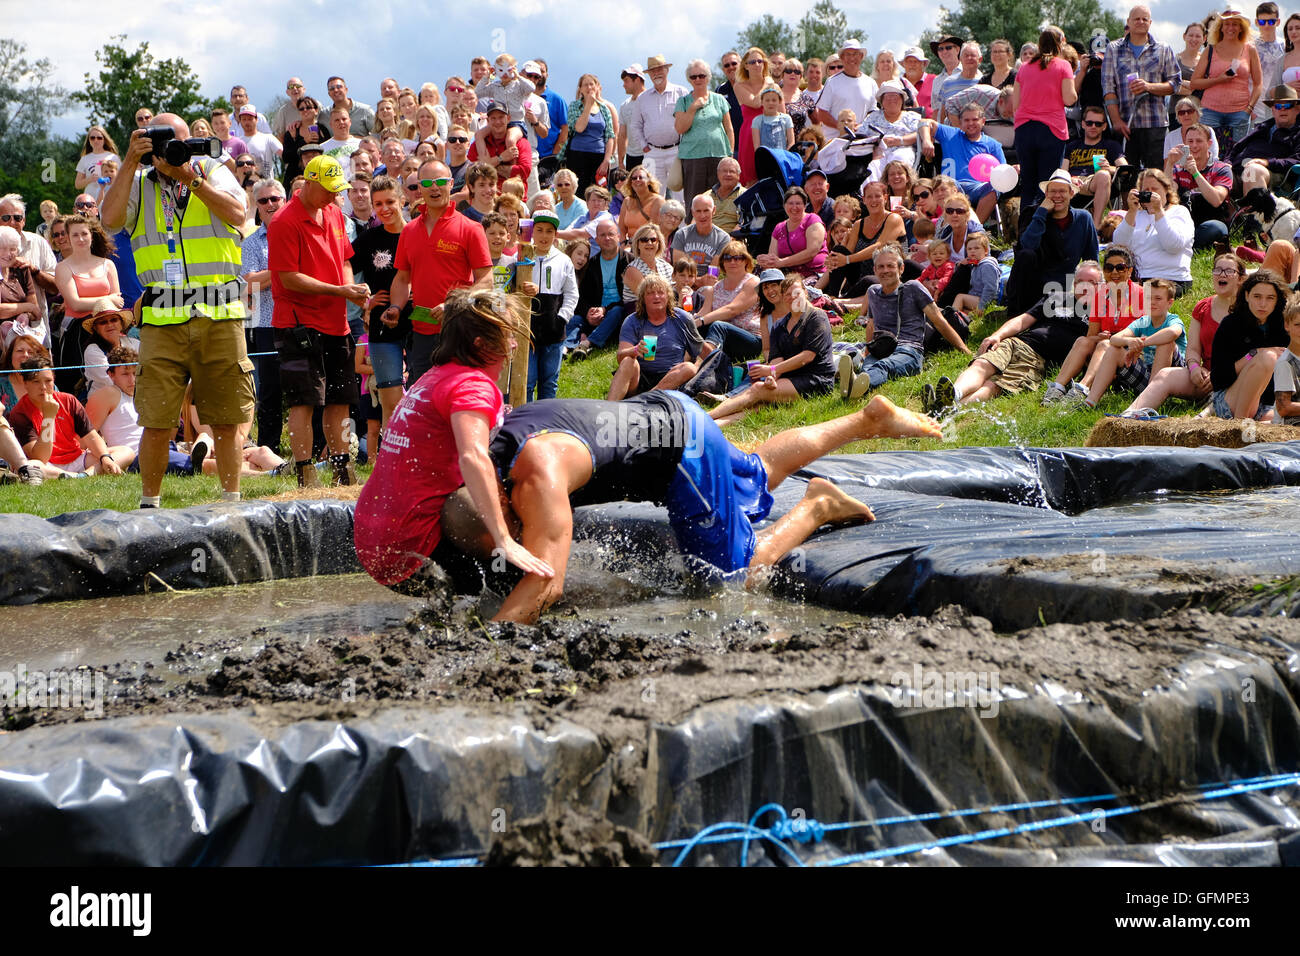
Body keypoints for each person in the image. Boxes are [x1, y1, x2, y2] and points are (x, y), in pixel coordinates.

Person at [474, 390, 938, 622]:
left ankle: (816, 505)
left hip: (680, 454)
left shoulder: (535, 475)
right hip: (669, 410)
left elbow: (545, 588)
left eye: (504, 528)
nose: (509, 537)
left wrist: (491, 637)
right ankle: (866, 419)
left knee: (731, 579)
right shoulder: (499, 438)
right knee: (756, 470)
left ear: (502, 498)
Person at [266, 155, 369, 487]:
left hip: (336, 321)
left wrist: (352, 289)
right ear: (308, 183)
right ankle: (305, 473)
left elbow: (345, 259)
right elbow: (288, 278)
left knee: (340, 398)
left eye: (338, 190)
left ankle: (343, 470)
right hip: (298, 324)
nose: (334, 196)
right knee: (305, 400)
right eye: (329, 190)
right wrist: (342, 290)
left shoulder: (336, 213)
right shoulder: (284, 221)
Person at [929, 260, 1101, 414]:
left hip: (1038, 361)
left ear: (1100, 285)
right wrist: (997, 336)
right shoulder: (1057, 298)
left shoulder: (1102, 313)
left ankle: (949, 409)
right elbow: (1023, 320)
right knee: (983, 363)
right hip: (1018, 342)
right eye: (1080, 281)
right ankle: (954, 393)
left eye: (1091, 283)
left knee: (997, 384)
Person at [385, 159, 492, 384]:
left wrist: (454, 305)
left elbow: (486, 280)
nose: (434, 187)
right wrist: (396, 307)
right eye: (427, 182)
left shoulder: (470, 227)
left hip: (460, 329)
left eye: (440, 181)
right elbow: (402, 278)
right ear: (419, 188)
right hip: (421, 331)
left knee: (457, 394)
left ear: (451, 183)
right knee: (424, 397)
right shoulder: (409, 230)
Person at [835, 244, 971, 399]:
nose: (885, 270)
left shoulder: (913, 288)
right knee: (869, 367)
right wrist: (868, 350)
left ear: (901, 269)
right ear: (874, 270)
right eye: (881, 267)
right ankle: (856, 385)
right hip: (881, 348)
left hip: (909, 350)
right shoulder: (873, 292)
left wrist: (964, 350)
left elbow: (939, 321)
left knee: (883, 366)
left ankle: (855, 386)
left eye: (890, 266)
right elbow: (871, 326)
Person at [1123, 253, 1244, 417]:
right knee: (1165, 374)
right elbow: (1193, 348)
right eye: (1218, 270)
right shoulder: (1202, 307)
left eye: (1229, 271)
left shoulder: (1249, 310)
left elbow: (1253, 356)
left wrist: (1220, 375)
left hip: (1235, 380)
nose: (1222, 274)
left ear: (1240, 279)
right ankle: (1130, 415)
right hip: (1205, 378)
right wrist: (1194, 367)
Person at [706, 275, 835, 425]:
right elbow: (777, 357)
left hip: (816, 379)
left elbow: (807, 356)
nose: (792, 298)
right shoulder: (779, 325)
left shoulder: (816, 316)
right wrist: (773, 376)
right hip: (790, 378)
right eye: (787, 294)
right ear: (783, 298)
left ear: (805, 293)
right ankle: (717, 424)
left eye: (796, 293)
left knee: (758, 390)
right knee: (762, 402)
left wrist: (772, 369)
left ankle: (706, 417)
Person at [1042, 245, 1145, 406]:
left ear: (1129, 271)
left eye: (1120, 267)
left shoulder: (1141, 295)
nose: (1115, 272)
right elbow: (1091, 335)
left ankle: (1082, 388)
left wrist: (1115, 340)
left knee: (1105, 344)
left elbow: (1144, 336)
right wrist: (1100, 337)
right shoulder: (1100, 295)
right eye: (1109, 268)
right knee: (1083, 341)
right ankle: (1058, 387)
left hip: (1133, 355)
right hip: (1104, 352)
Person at [7, 355, 129, 477]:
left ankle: (83, 475)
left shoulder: (68, 400)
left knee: (125, 452)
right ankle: (74, 475)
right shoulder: (19, 413)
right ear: (25, 384)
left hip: (77, 459)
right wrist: (48, 418)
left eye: (48, 381)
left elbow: (91, 436)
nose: (43, 387)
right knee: (32, 465)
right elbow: (40, 457)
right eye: (36, 382)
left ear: (54, 380)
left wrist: (105, 457)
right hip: (48, 464)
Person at [1077, 278, 1186, 408]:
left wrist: (1141, 343)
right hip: (1148, 375)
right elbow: (1114, 339)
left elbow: (1172, 333)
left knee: (1166, 343)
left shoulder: (1173, 320)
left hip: (1174, 378)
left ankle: (1150, 402)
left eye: (1158, 298)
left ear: (1169, 303)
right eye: (1148, 298)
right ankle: (1090, 401)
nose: (1152, 302)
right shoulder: (1143, 321)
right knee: (1113, 349)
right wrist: (1130, 341)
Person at [1102, 5, 1183, 170]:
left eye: (1144, 19)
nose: (1140, 22)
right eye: (1136, 19)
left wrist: (1148, 86)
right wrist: (1116, 121)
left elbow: (1175, 83)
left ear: (1150, 22)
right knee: (1126, 175)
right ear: (1128, 22)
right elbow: (1108, 87)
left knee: (1155, 174)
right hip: (1126, 125)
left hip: (1156, 123)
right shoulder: (1113, 49)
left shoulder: (1163, 49)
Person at [608, 273, 707, 400]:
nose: (656, 297)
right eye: (650, 293)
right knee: (628, 361)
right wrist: (635, 350)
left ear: (668, 296)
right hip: (640, 378)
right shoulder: (632, 321)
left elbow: (702, 351)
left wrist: (716, 363)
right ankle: (609, 407)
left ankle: (646, 398)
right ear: (643, 298)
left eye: (660, 292)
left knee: (689, 368)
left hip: (670, 379)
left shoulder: (682, 318)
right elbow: (620, 356)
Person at [1209, 268, 1290, 419]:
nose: (1263, 304)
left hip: (1267, 404)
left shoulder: (1285, 326)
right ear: (1247, 296)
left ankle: (1253, 427)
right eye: (1257, 296)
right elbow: (1218, 378)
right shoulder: (1231, 325)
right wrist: (1253, 355)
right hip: (1230, 399)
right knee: (1268, 358)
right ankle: (1240, 425)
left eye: (1270, 298)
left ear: (1277, 300)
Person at [1013, 26, 1078, 211]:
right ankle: (1044, 229)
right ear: (1061, 43)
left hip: (1024, 129)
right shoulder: (1063, 65)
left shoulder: (1024, 68)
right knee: (1047, 183)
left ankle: (1025, 231)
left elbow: (1015, 103)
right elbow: (1069, 98)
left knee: (1028, 183)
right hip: (1051, 130)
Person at [523, 211, 577, 402]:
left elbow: (572, 293)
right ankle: (527, 420)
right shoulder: (522, 257)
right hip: (527, 330)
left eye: (549, 231)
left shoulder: (563, 261)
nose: (544, 236)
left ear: (555, 235)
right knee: (527, 381)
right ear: (532, 232)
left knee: (549, 380)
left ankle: (546, 420)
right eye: (539, 230)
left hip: (553, 330)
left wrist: (562, 317)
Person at [922, 104, 1007, 224]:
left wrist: (1013, 169)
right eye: (966, 120)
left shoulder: (993, 145)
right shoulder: (951, 134)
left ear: (983, 121)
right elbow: (925, 122)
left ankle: (975, 229)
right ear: (960, 122)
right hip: (953, 184)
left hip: (979, 187)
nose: (970, 123)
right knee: (947, 186)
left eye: (975, 119)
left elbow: (1003, 171)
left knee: (994, 188)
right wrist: (926, 140)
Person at [1112, 167, 1194, 291]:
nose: (1149, 193)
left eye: (1154, 190)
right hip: (1139, 278)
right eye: (1145, 190)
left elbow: (1174, 246)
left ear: (1166, 190)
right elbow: (1118, 246)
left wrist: (1158, 212)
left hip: (1171, 278)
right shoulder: (1136, 215)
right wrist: (1131, 211)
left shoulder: (1179, 212)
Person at [1190, 8, 1263, 146]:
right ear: (1221, 27)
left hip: (1240, 112)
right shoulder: (1211, 49)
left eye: (1235, 24)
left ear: (1241, 28)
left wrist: (1249, 109)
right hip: (1210, 110)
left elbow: (1258, 83)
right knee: (1209, 152)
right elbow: (1194, 83)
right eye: (1227, 24)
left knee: (1236, 153)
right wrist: (1219, 80)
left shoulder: (1250, 49)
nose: (1231, 28)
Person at [565, 218, 628, 357]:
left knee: (617, 310)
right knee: (576, 319)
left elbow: (629, 299)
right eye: (602, 235)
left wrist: (605, 309)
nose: (607, 238)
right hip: (595, 317)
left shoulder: (629, 262)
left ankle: (586, 343)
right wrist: (588, 312)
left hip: (618, 317)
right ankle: (565, 348)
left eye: (611, 234)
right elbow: (581, 298)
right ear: (596, 240)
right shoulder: (591, 264)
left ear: (618, 236)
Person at [675, 60, 734, 206]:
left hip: (719, 155)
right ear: (689, 79)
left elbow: (729, 129)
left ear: (708, 77)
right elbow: (680, 128)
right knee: (694, 200)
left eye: (701, 75)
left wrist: (730, 155)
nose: (698, 79)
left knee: (719, 199)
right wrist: (692, 108)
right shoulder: (683, 101)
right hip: (693, 157)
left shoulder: (719, 99)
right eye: (693, 77)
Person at [1165, 123, 1233, 248]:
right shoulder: (1178, 169)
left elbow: (1216, 200)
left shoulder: (1221, 169)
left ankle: (1185, 245)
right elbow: (1168, 196)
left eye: (1199, 141)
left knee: (1216, 229)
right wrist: (1169, 164)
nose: (1194, 146)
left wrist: (1195, 173)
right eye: (1190, 141)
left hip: (1210, 221)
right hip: (1184, 222)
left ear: (1209, 143)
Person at [632, 55, 689, 199]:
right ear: (649, 74)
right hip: (652, 152)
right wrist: (644, 145)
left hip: (677, 150)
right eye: (652, 71)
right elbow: (635, 125)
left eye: (659, 69)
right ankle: (652, 222)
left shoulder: (681, 93)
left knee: (680, 195)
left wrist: (684, 146)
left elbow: (689, 120)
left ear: (667, 70)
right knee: (651, 196)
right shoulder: (642, 98)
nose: (656, 73)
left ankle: (684, 223)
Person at [1061, 105, 1127, 227]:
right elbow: (1063, 171)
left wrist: (1110, 169)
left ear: (1104, 126)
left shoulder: (1111, 145)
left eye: (1098, 124)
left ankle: (1096, 228)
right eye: (1089, 123)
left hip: (1095, 181)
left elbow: (1126, 169)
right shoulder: (1071, 146)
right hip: (1072, 183)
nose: (1093, 127)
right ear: (1083, 124)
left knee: (1103, 175)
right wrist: (1070, 179)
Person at [696, 240, 762, 360]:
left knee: (718, 325)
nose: (732, 261)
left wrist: (700, 320)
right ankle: (680, 362)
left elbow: (732, 310)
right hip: (721, 338)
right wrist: (689, 321)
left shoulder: (753, 283)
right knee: (694, 328)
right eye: (727, 258)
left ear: (746, 261)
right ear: (722, 262)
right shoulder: (716, 287)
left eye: (737, 258)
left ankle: (703, 365)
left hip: (749, 339)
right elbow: (703, 313)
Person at [1231, 84, 1300, 192]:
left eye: (1287, 105)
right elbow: (1236, 148)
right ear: (1273, 110)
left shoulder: (1297, 132)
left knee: (1252, 171)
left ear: (1297, 109)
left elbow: (1297, 160)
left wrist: (1267, 162)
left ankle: (1254, 208)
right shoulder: (1263, 128)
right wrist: (1226, 163)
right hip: (1239, 168)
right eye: (1278, 106)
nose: (1282, 109)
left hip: (1275, 175)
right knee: (1214, 172)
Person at [813, 38, 879, 141]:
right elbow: (822, 113)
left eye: (855, 54)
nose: (852, 58)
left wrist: (861, 126)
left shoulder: (871, 83)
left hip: (860, 141)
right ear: (842, 58)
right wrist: (840, 127)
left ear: (861, 56)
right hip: (834, 142)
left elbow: (873, 112)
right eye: (848, 54)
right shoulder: (832, 82)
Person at [561, 75, 615, 195]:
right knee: (578, 192)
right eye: (585, 85)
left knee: (598, 192)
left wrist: (606, 160)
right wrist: (588, 106)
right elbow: (579, 128)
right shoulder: (574, 106)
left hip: (599, 155)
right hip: (578, 155)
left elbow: (610, 135)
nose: (589, 87)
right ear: (580, 89)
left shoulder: (604, 109)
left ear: (597, 87)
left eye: (592, 84)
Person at [757, 186, 827, 279]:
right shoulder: (779, 228)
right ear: (784, 205)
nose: (794, 207)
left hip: (814, 273)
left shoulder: (812, 220)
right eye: (790, 203)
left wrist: (782, 262)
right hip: (788, 276)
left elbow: (812, 252)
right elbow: (773, 258)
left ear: (805, 205)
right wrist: (765, 260)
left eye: (798, 203)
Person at [863, 81, 922, 182]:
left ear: (902, 100)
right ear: (882, 101)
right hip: (878, 152)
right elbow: (861, 135)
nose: (891, 100)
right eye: (887, 97)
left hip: (903, 150)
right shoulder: (872, 117)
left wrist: (899, 140)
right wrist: (874, 145)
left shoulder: (912, 117)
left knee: (898, 162)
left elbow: (921, 133)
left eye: (895, 96)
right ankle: (875, 195)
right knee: (872, 167)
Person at [734, 48, 771, 186]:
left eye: (760, 61)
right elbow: (756, 103)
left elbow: (783, 113)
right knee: (751, 181)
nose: (757, 65)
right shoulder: (739, 86)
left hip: (770, 133)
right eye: (753, 62)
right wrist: (767, 84)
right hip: (749, 137)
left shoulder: (773, 85)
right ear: (745, 65)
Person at [936, 42, 986, 126]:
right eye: (966, 55)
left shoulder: (984, 82)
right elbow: (943, 113)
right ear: (960, 59)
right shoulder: (948, 83)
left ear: (980, 59)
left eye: (973, 55)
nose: (969, 58)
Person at [1271, 292, 1300, 423]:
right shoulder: (1286, 363)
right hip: (1288, 434)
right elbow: (1284, 408)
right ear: (1287, 325)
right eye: (1298, 325)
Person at [618, 165, 665, 241]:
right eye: (634, 178)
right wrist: (623, 243)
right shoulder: (627, 201)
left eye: (641, 177)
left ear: (649, 181)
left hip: (648, 243)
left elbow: (653, 230)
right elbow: (621, 229)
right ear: (631, 182)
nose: (637, 180)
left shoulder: (658, 201)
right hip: (629, 245)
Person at [75, 127, 121, 192]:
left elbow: (121, 179)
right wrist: (90, 179)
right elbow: (77, 185)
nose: (95, 140)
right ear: (89, 140)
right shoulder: (84, 158)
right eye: (92, 138)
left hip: (108, 197)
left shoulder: (113, 157)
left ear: (104, 140)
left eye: (99, 138)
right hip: (90, 199)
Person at [928, 36, 963, 120]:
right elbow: (936, 111)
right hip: (944, 129)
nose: (944, 51)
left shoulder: (970, 73)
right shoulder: (936, 81)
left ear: (957, 50)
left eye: (948, 48)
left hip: (968, 126)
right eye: (940, 49)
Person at [709, 158, 746, 233]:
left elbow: (743, 224)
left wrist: (728, 239)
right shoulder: (706, 196)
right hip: (707, 239)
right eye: (724, 171)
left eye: (732, 171)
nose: (728, 174)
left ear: (738, 175)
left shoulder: (744, 195)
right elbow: (696, 221)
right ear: (718, 174)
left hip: (732, 240)